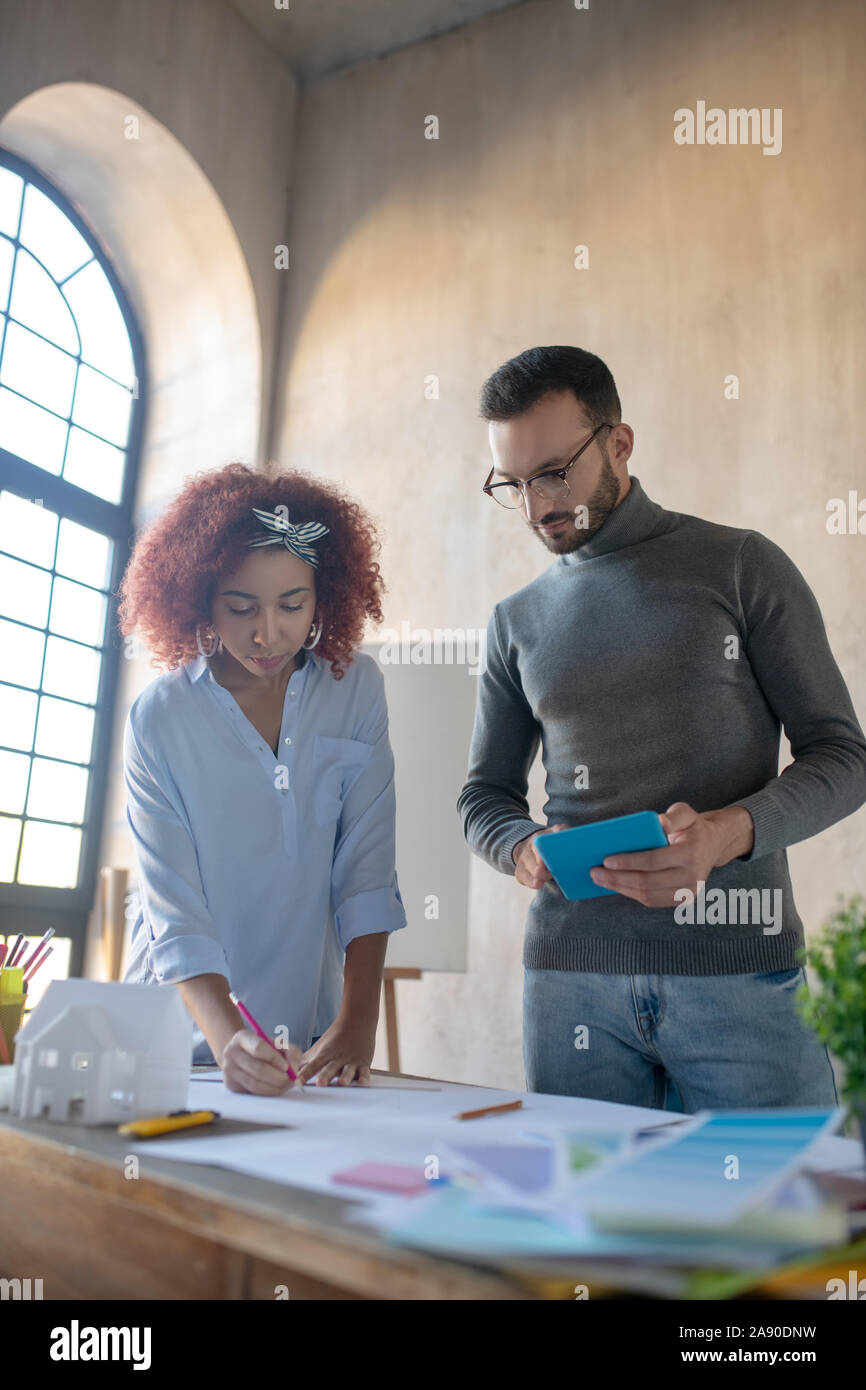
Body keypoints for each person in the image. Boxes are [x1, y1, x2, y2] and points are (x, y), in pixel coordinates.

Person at [458, 345, 866, 1111]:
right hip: (568, 986)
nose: (535, 505)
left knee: (787, 1221)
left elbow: (845, 758)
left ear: (619, 443)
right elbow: (483, 796)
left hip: (739, 975)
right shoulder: (514, 622)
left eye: (553, 471)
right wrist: (522, 848)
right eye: (510, 483)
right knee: (598, 1230)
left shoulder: (742, 567)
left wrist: (724, 833)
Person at [117, 462, 405, 1094]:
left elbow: (366, 869)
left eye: (291, 605)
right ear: (199, 599)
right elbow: (175, 908)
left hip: (309, 1038)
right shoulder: (161, 718)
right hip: (175, 1040)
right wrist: (226, 1040)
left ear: (323, 597)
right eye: (240, 606)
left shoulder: (355, 690)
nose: (266, 633)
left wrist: (359, 1020)